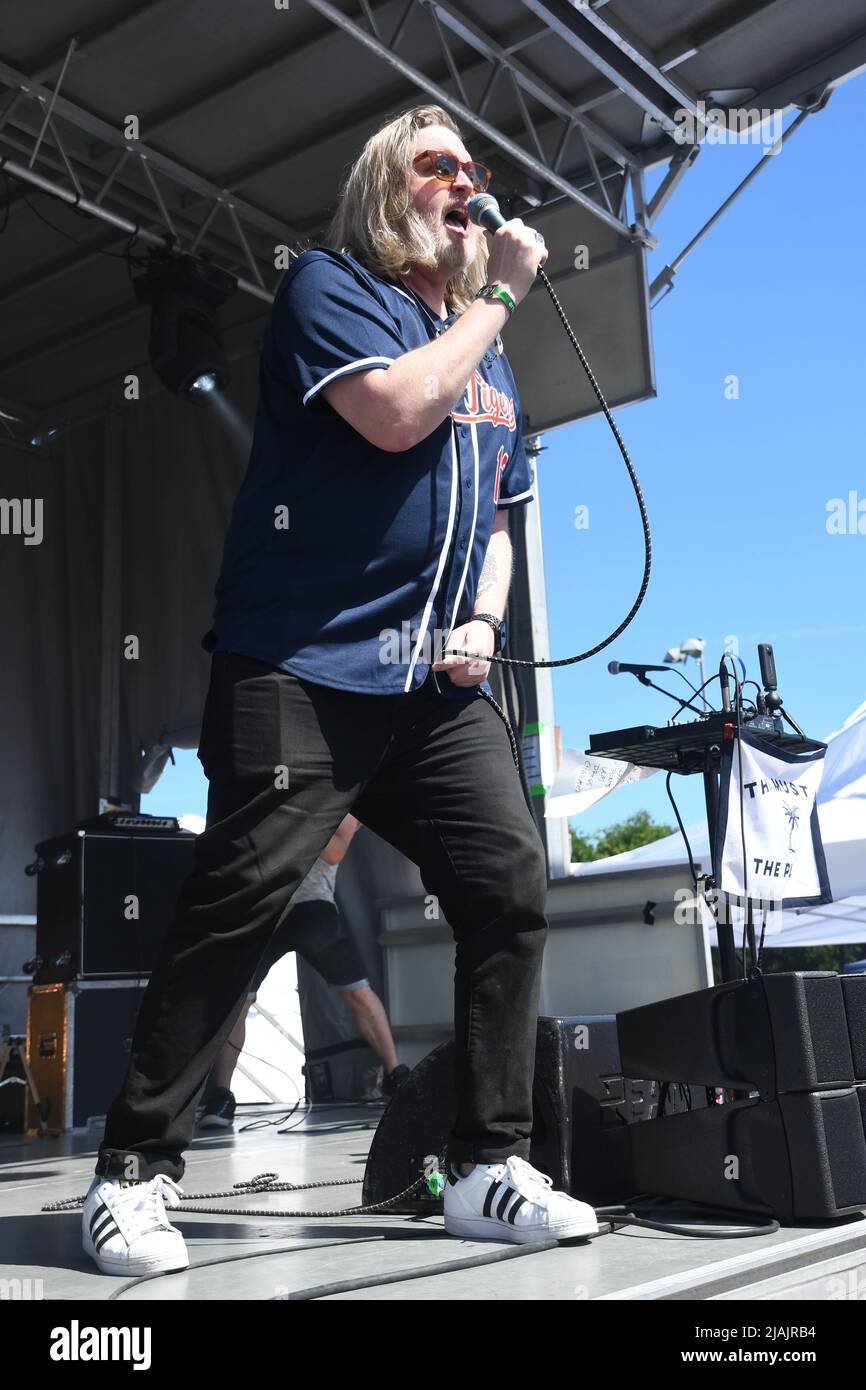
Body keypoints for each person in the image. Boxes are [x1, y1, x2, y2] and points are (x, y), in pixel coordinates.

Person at [82, 102, 598, 1277]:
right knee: (243, 900)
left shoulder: (487, 350)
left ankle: (482, 1162)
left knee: (506, 878)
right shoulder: (331, 289)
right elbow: (393, 411)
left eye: (472, 167)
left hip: (429, 682)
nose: (463, 182)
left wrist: (480, 613)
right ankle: (129, 1174)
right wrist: (501, 295)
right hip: (303, 660)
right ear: (386, 185)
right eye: (436, 165)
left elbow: (503, 514)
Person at [198, 813, 408, 1126]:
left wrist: (286, 826)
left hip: (313, 908)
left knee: (359, 994)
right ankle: (221, 1096)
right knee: (239, 1002)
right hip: (264, 908)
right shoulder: (274, 792)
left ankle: (394, 1076)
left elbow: (333, 851)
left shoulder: (343, 802)